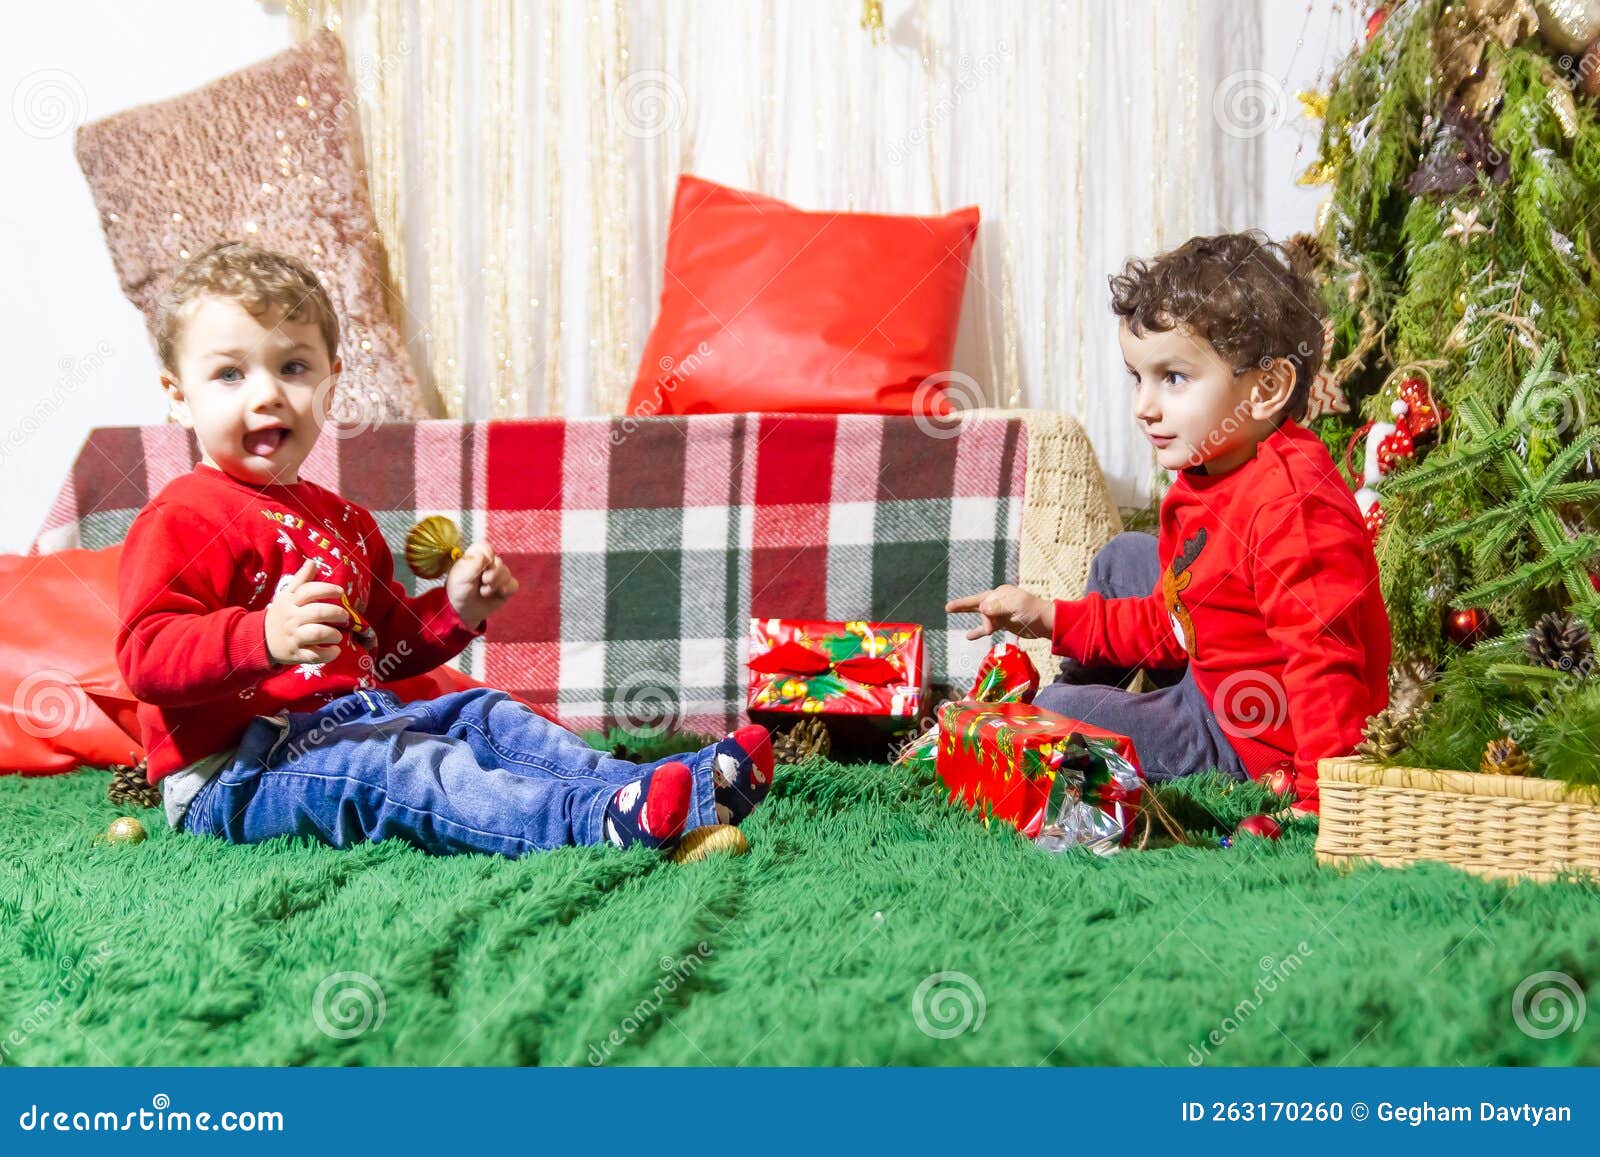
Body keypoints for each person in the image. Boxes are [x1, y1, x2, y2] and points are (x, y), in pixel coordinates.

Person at [116, 241, 772, 856]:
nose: (266, 395)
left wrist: (454, 608)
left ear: (329, 383)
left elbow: (391, 647)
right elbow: (146, 654)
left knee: (482, 714)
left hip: (360, 721)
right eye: (229, 374)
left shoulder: (345, 522)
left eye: (292, 368)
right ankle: (587, 819)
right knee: (395, 770)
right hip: (237, 774)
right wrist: (261, 637)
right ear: (179, 396)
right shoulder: (184, 515)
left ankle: (665, 788)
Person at [947, 232, 1390, 811]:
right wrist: (1048, 615)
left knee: (1056, 714)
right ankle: (1089, 708)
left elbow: (1324, 662)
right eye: (1139, 378)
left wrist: (1320, 799)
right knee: (1123, 558)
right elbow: (1172, 617)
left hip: (1249, 737)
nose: (1144, 407)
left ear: (1267, 388)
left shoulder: (1291, 508)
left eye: (1173, 378)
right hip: (1209, 668)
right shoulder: (1210, 469)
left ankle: (1077, 729)